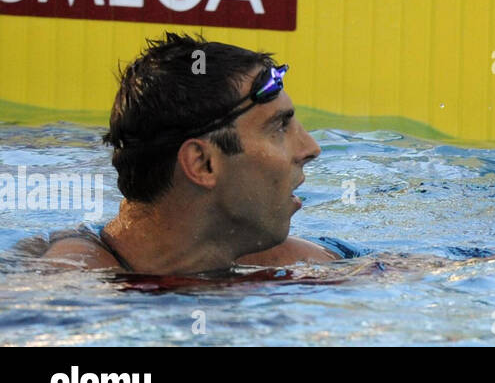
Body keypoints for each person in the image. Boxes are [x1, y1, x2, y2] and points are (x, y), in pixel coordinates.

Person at [31, 33, 362, 274]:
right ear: (203, 163)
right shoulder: (70, 286)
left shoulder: (292, 264)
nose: (310, 149)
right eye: (278, 127)